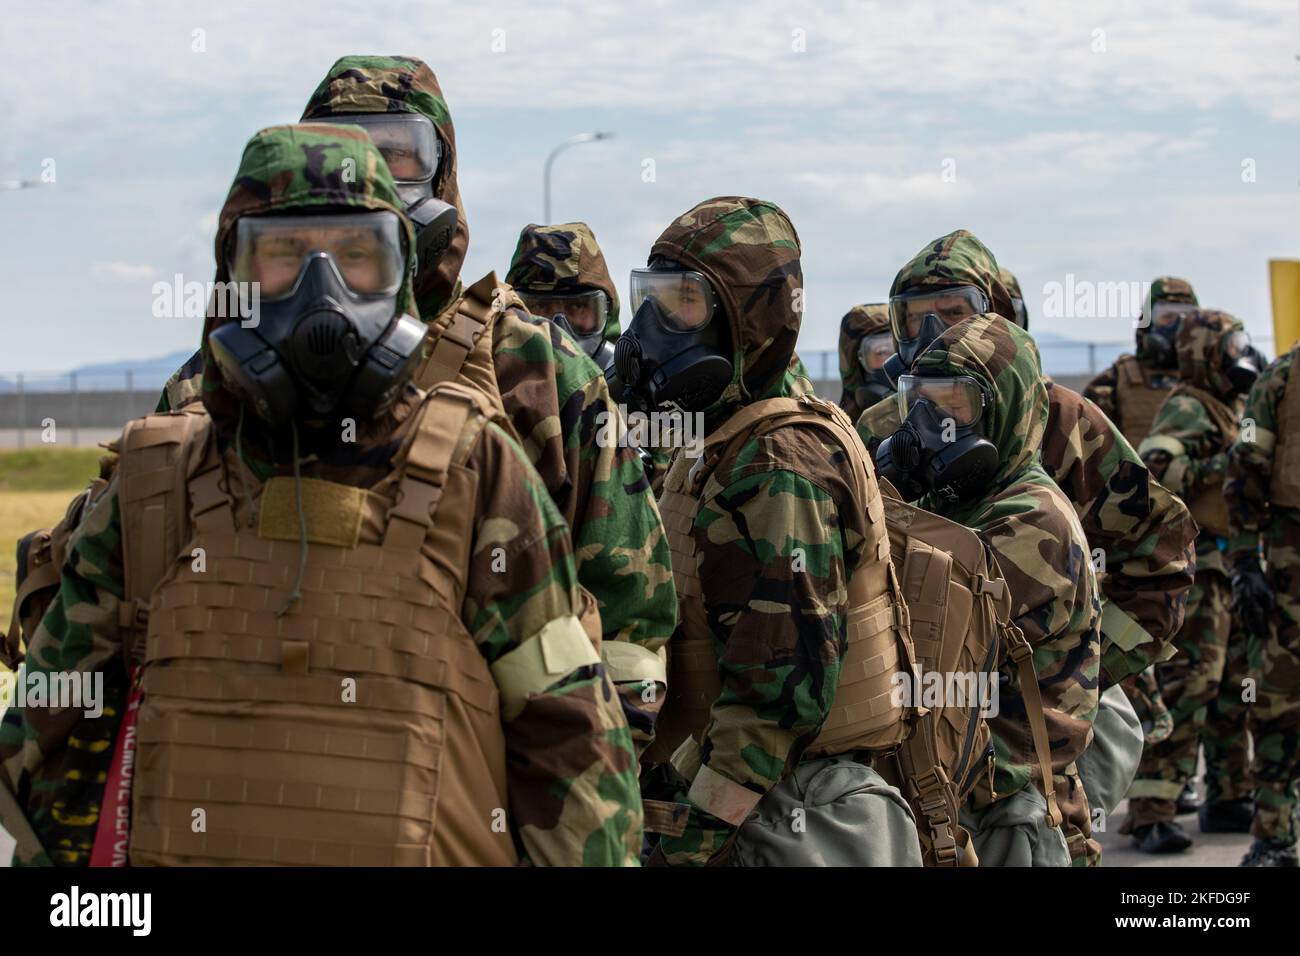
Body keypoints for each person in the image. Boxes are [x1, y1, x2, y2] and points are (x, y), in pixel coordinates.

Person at [0, 123, 643, 866]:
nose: (322, 291)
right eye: (284, 257)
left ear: (400, 272)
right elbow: (48, 761)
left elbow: (571, 749)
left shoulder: (476, 471)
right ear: (233, 278)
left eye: (355, 257)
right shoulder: (156, 486)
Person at [157, 55, 677, 748]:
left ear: (443, 178)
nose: (363, 175)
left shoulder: (535, 369)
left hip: (457, 811)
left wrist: (578, 803)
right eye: (340, 151)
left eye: (397, 155)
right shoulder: (211, 383)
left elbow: (628, 613)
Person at [618, 197, 906, 866]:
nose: (655, 324)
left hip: (776, 813)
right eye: (654, 299)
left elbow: (780, 696)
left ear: (749, 318)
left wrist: (689, 842)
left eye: (685, 302)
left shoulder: (779, 462)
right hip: (731, 791)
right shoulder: (722, 438)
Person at [876, 313, 1101, 866]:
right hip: (966, 795)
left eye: (955, 404)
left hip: (1013, 809)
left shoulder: (1031, 519)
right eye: (922, 402)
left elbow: (915, 624)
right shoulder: (963, 505)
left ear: (1005, 408)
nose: (933, 422)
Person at [1122, 309, 1262, 854]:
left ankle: (1230, 794)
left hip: (1226, 568)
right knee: (1188, 687)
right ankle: (1151, 810)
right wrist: (1224, 464)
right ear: (1208, 353)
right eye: (1231, 348)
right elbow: (1155, 468)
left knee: (1232, 690)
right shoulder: (1188, 405)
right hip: (1196, 571)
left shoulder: (1229, 406)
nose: (1240, 357)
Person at [1225, 340, 1300, 866]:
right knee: (1274, 702)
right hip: (1287, 562)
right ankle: (1275, 835)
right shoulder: (1281, 379)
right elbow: (1247, 464)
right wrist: (1247, 564)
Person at [1083, 277, 1198, 448]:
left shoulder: (1215, 383)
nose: (1178, 326)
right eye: (1167, 317)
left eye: (1187, 318)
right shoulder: (1113, 383)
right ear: (1148, 321)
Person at [836, 302, 892, 421]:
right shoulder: (839, 429)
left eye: (898, 351)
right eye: (881, 352)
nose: (893, 361)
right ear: (855, 361)